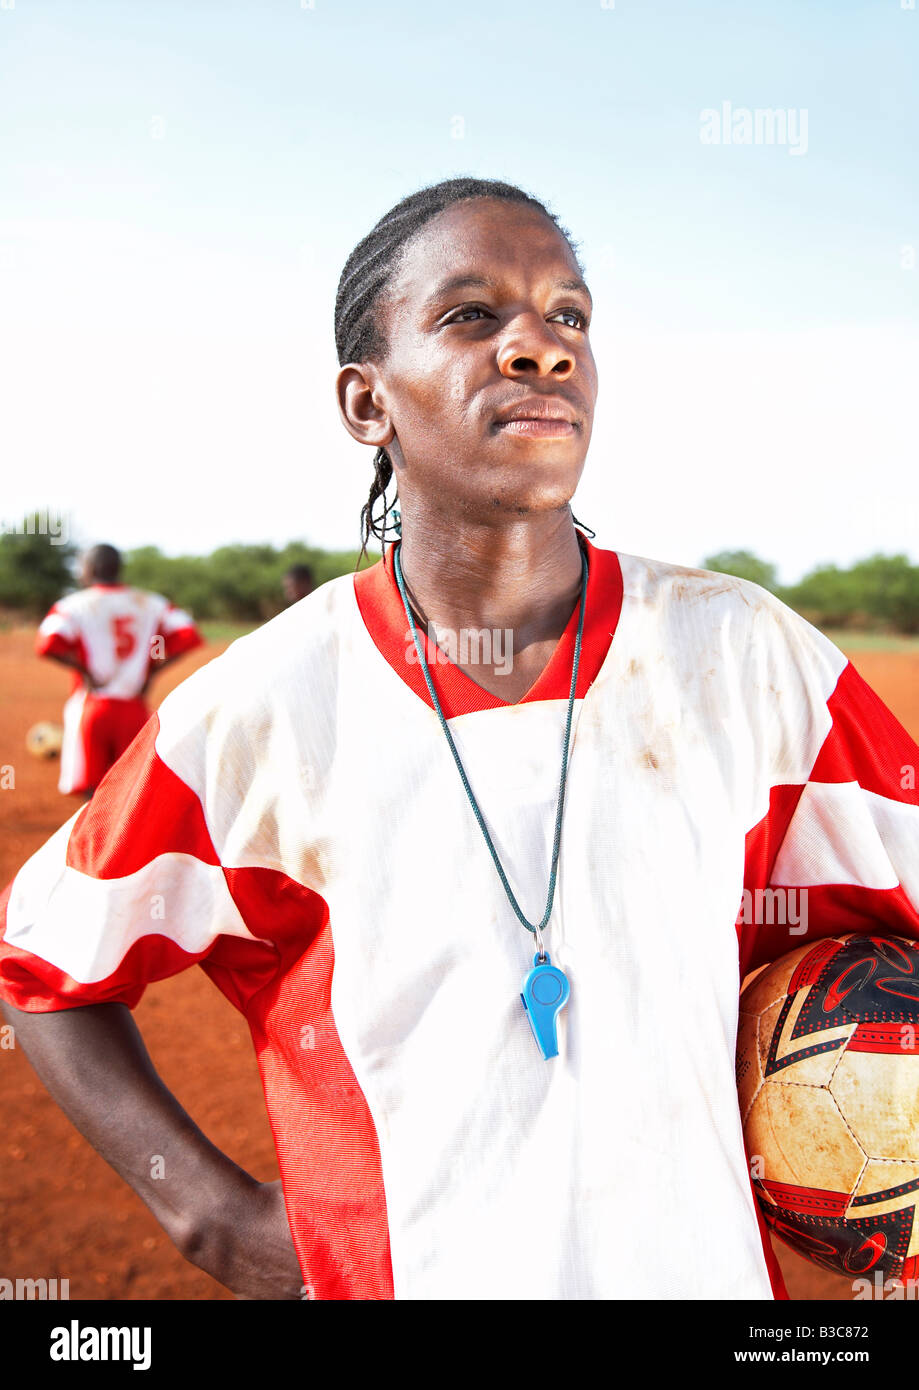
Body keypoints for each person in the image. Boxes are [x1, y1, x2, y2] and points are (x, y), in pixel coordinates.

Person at [2, 176, 918, 1301]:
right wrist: (210, 1215)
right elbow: (45, 965)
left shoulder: (747, 657)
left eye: (568, 316)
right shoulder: (266, 705)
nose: (540, 346)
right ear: (365, 402)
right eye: (471, 316)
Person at [35, 543, 203, 798]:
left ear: (91, 568)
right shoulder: (152, 602)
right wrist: (153, 672)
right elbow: (188, 634)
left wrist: (85, 672)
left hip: (93, 707)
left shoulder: (74, 604)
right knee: (129, 791)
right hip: (134, 708)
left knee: (90, 794)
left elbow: (47, 642)